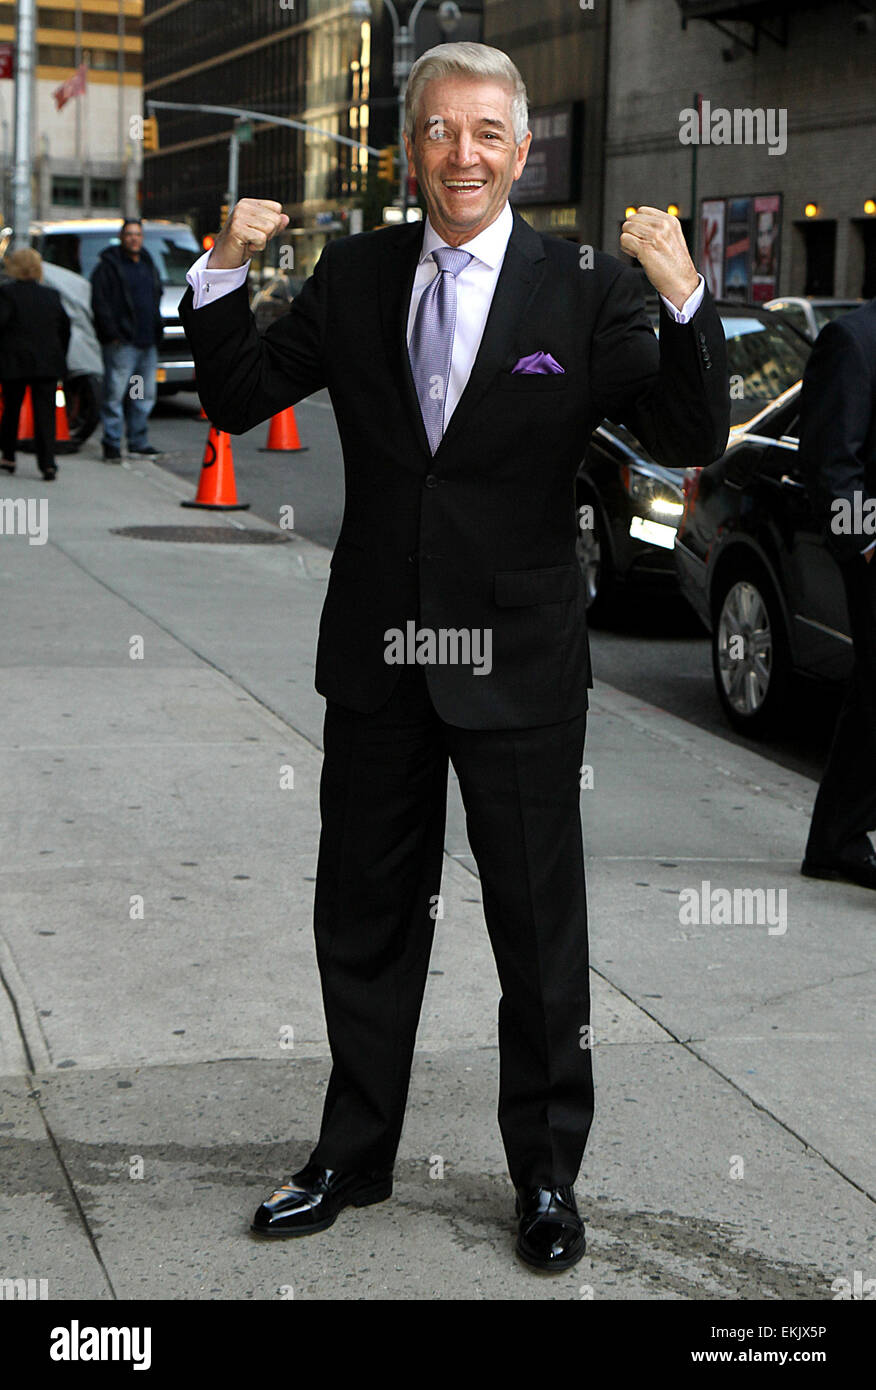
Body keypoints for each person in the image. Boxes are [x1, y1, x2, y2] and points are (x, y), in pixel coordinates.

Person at [180, 42, 729, 1272]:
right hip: (380, 652)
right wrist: (222, 269)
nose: (463, 154)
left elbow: (688, 432)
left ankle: (544, 1178)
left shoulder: (585, 285)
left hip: (521, 661)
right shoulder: (360, 270)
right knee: (365, 919)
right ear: (411, 147)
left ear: (521, 152)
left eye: (487, 133)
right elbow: (235, 395)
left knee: (538, 932)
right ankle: (352, 1154)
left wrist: (687, 295)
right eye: (439, 131)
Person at [801, 296, 876, 889]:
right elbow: (831, 464)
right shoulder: (852, 339)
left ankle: (837, 839)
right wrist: (867, 549)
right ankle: (837, 839)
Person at [90, 218, 163, 461]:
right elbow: (99, 303)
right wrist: (112, 334)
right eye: (129, 234)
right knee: (114, 395)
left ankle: (137, 441)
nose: (134, 238)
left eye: (138, 234)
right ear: (122, 238)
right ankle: (111, 443)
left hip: (146, 342)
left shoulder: (147, 262)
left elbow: (155, 296)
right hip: (122, 344)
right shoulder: (108, 266)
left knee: (140, 395)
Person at [0, 248, 70, 482]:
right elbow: (65, 329)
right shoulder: (52, 295)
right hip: (47, 362)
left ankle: (8, 456)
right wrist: (60, 354)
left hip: (14, 362)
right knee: (46, 414)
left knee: (11, 409)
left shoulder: (6, 294)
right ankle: (47, 463)